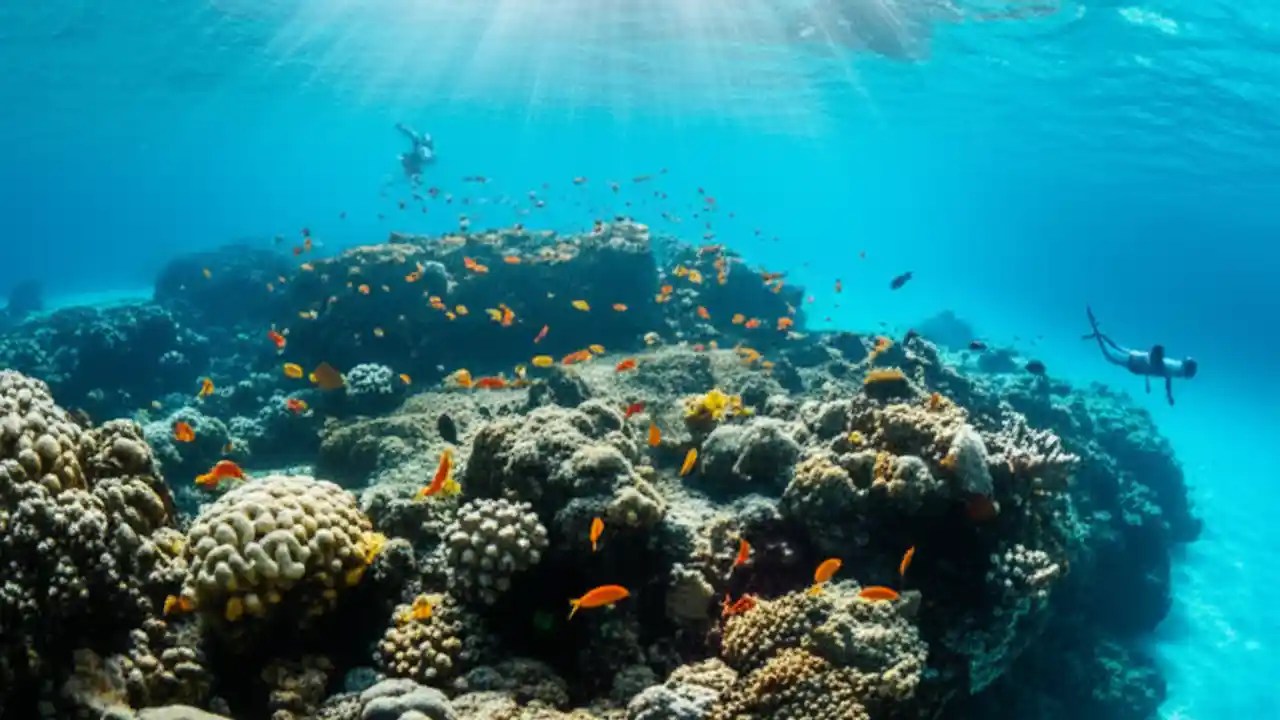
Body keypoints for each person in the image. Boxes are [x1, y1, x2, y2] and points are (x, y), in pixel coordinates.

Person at [1083, 306, 1198, 405]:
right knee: (1109, 355)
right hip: (1135, 362)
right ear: (1184, 370)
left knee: (1115, 348)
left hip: (1137, 360)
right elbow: (1158, 363)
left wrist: (1167, 395)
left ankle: (1099, 332)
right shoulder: (1174, 369)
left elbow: (1163, 374)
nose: (1182, 376)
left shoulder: (1174, 370)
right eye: (1184, 374)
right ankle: (1096, 329)